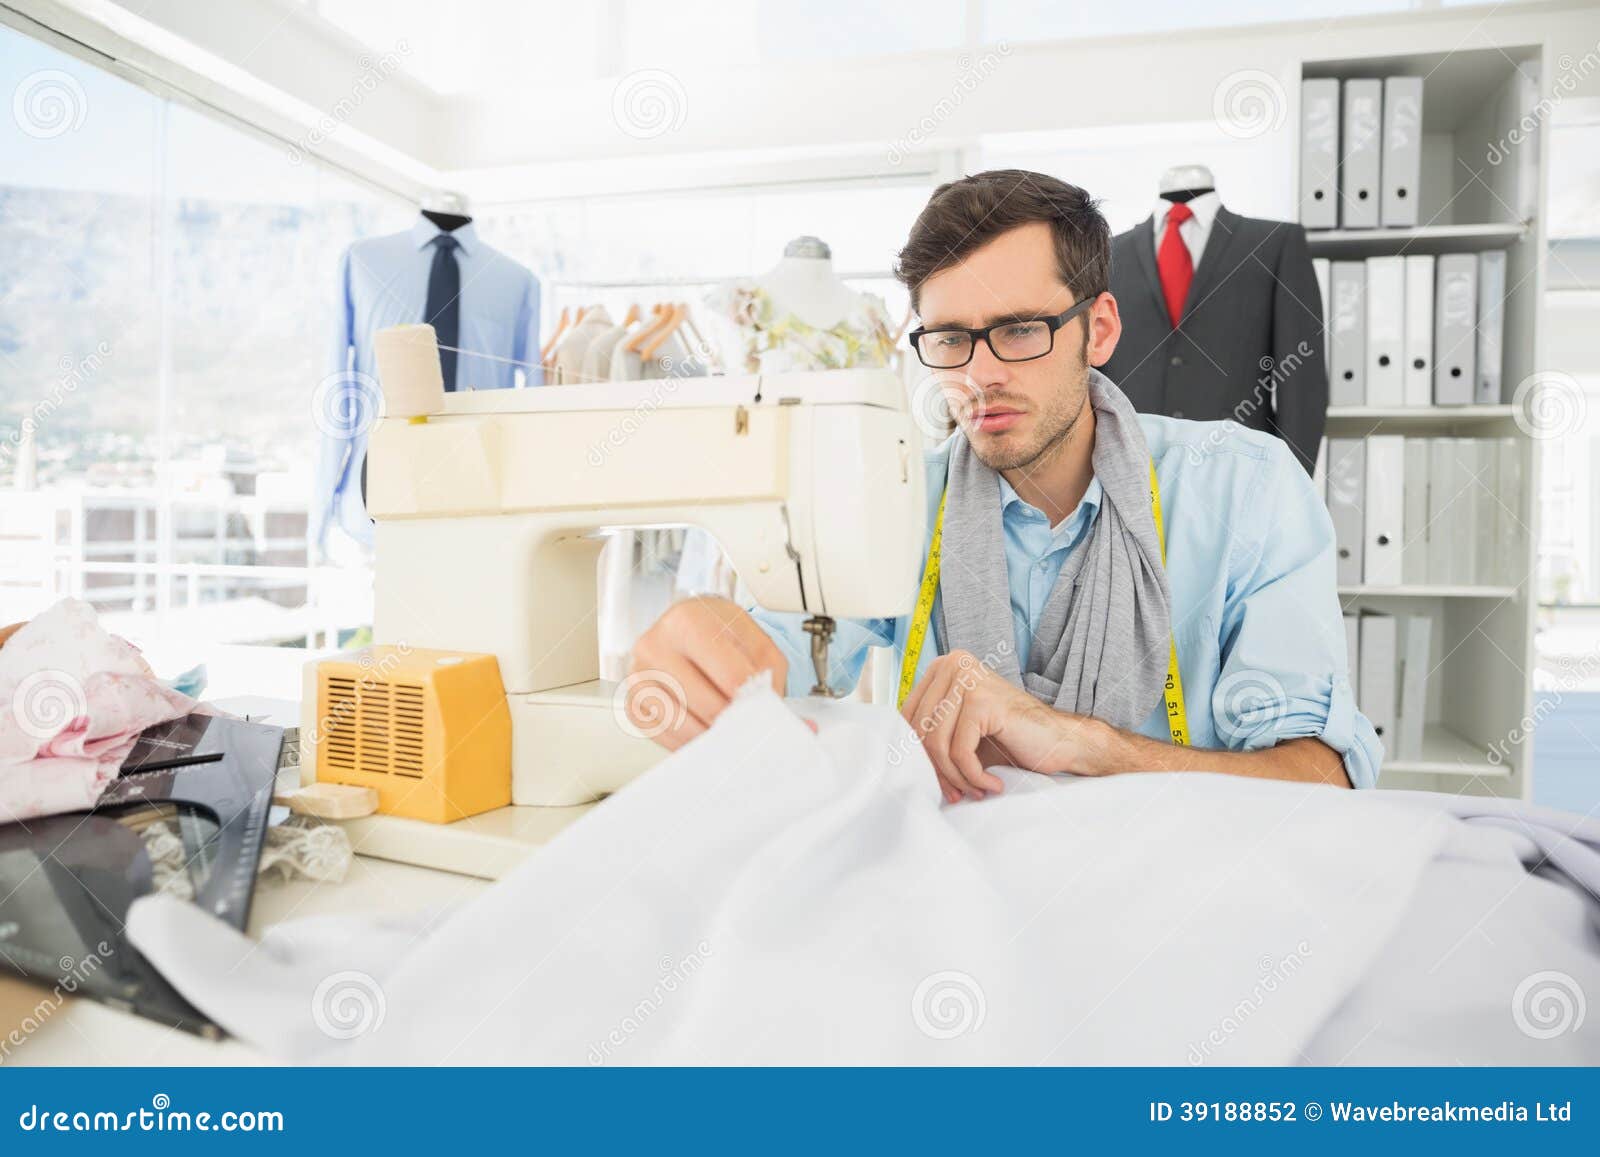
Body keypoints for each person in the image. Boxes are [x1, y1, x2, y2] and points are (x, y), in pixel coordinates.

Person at [626, 170, 1380, 801]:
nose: (980, 376)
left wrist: (1084, 744)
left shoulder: (1247, 493)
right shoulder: (896, 505)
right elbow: (780, 647)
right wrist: (708, 641)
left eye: (1021, 329)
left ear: (1103, 329)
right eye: (950, 339)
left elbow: (1322, 781)